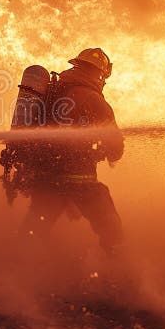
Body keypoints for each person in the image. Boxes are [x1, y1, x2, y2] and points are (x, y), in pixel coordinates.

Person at [14, 48, 124, 254]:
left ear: (76, 66)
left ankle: (15, 268)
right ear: (100, 74)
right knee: (110, 225)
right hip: (79, 180)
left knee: (33, 231)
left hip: (45, 177)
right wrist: (103, 151)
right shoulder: (96, 101)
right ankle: (116, 262)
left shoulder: (52, 91)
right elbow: (116, 148)